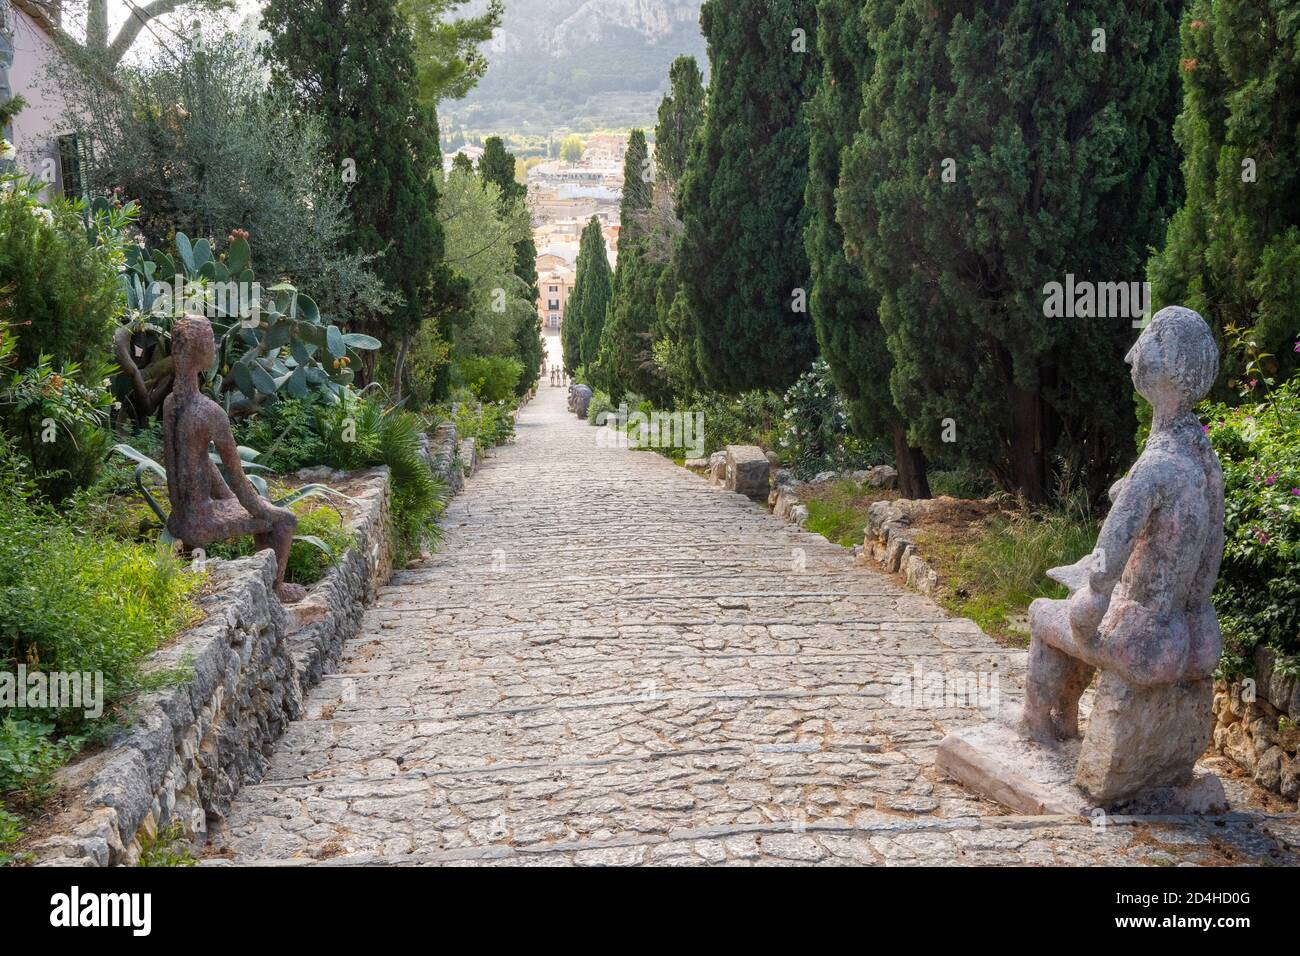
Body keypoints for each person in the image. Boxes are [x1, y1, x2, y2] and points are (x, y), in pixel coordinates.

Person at [162, 314, 306, 603]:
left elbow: (190, 464)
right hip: (202, 520)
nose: (216, 345)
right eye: (212, 340)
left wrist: (227, 499)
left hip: (180, 517)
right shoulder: (209, 412)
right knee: (284, 520)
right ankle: (274, 589)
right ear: (201, 351)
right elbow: (240, 482)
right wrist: (265, 510)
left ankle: (200, 572)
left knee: (261, 512)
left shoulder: (170, 403)